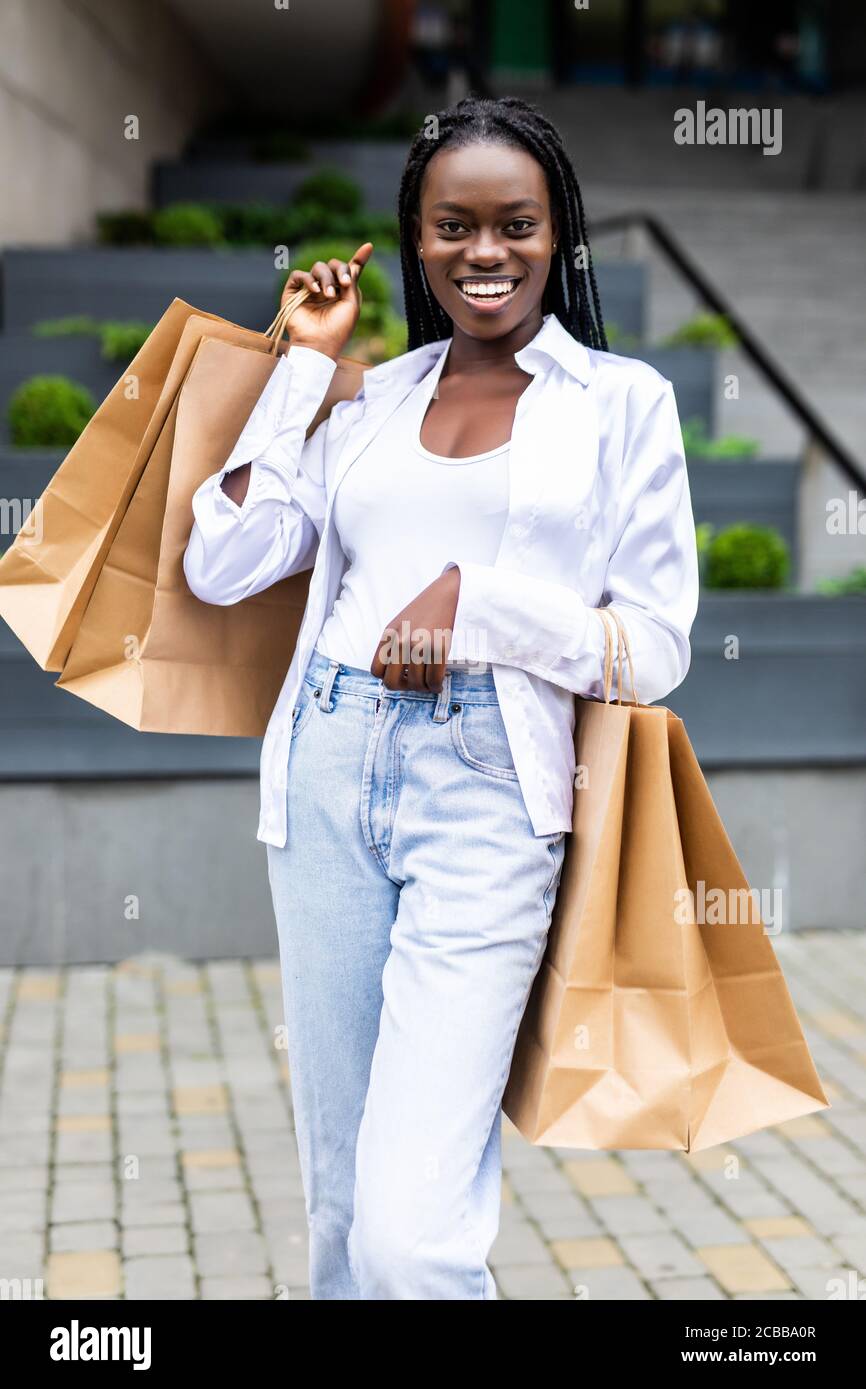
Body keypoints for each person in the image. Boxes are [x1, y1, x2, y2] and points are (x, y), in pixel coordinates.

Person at [183, 95, 699, 1300]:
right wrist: (301, 371)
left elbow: (658, 645)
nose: (484, 252)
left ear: (554, 233)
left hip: (490, 796)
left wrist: (477, 603)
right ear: (414, 240)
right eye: (452, 225)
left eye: (514, 224)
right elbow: (222, 561)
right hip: (328, 760)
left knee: (412, 1237)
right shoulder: (368, 403)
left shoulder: (619, 405)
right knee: (342, 1214)